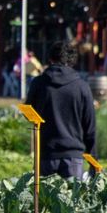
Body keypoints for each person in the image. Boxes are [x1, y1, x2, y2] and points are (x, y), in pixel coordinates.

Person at [27, 39, 96, 179]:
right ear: (72, 62)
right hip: (73, 155)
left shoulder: (38, 84)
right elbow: (90, 126)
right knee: (71, 200)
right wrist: (93, 160)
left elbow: (29, 114)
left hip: (45, 154)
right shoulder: (82, 87)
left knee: (45, 200)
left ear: (50, 59)